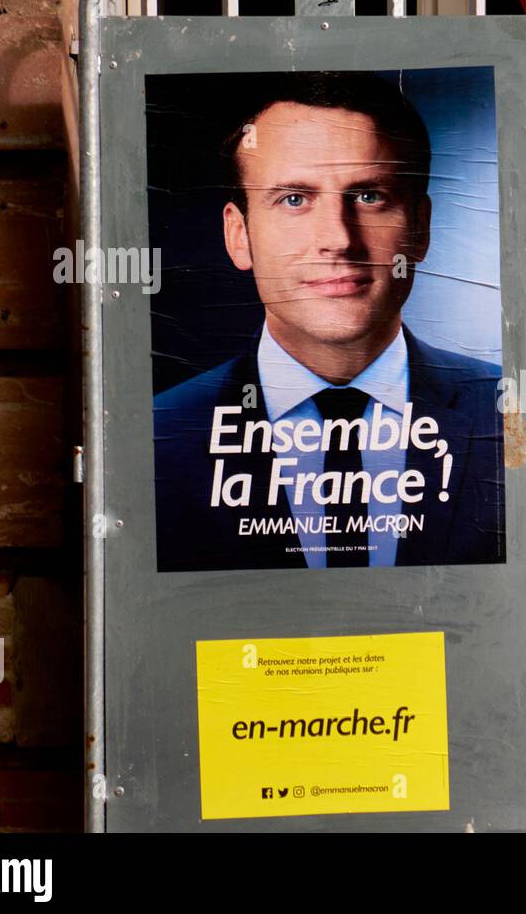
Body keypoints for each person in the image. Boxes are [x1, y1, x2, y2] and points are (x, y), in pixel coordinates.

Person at [153, 72, 504, 571]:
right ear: (239, 235)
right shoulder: (155, 436)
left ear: (420, 228)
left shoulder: (511, 416)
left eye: (368, 197)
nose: (338, 238)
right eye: (294, 199)